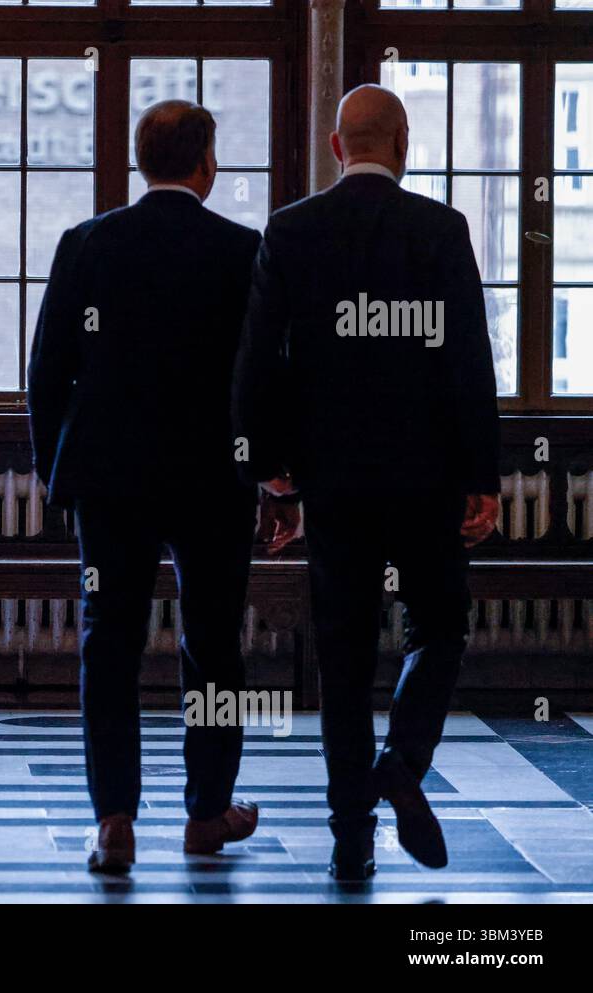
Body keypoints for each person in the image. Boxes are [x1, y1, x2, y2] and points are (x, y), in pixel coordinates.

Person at [233, 85, 501, 882]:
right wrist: (482, 474)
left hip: (334, 482)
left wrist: (273, 475)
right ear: (405, 142)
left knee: (343, 660)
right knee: (441, 630)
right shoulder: (441, 230)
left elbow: (260, 362)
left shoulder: (291, 230)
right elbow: (468, 362)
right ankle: (403, 763)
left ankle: (351, 840)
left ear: (336, 144)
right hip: (427, 479)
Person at [28, 100, 264, 874]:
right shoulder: (241, 250)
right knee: (215, 646)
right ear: (205, 165)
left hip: (109, 478)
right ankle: (205, 813)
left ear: (140, 162)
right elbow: (259, 378)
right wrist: (272, 475)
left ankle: (114, 819)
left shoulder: (86, 245)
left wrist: (59, 466)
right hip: (212, 480)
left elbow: (46, 374)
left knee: (109, 641)